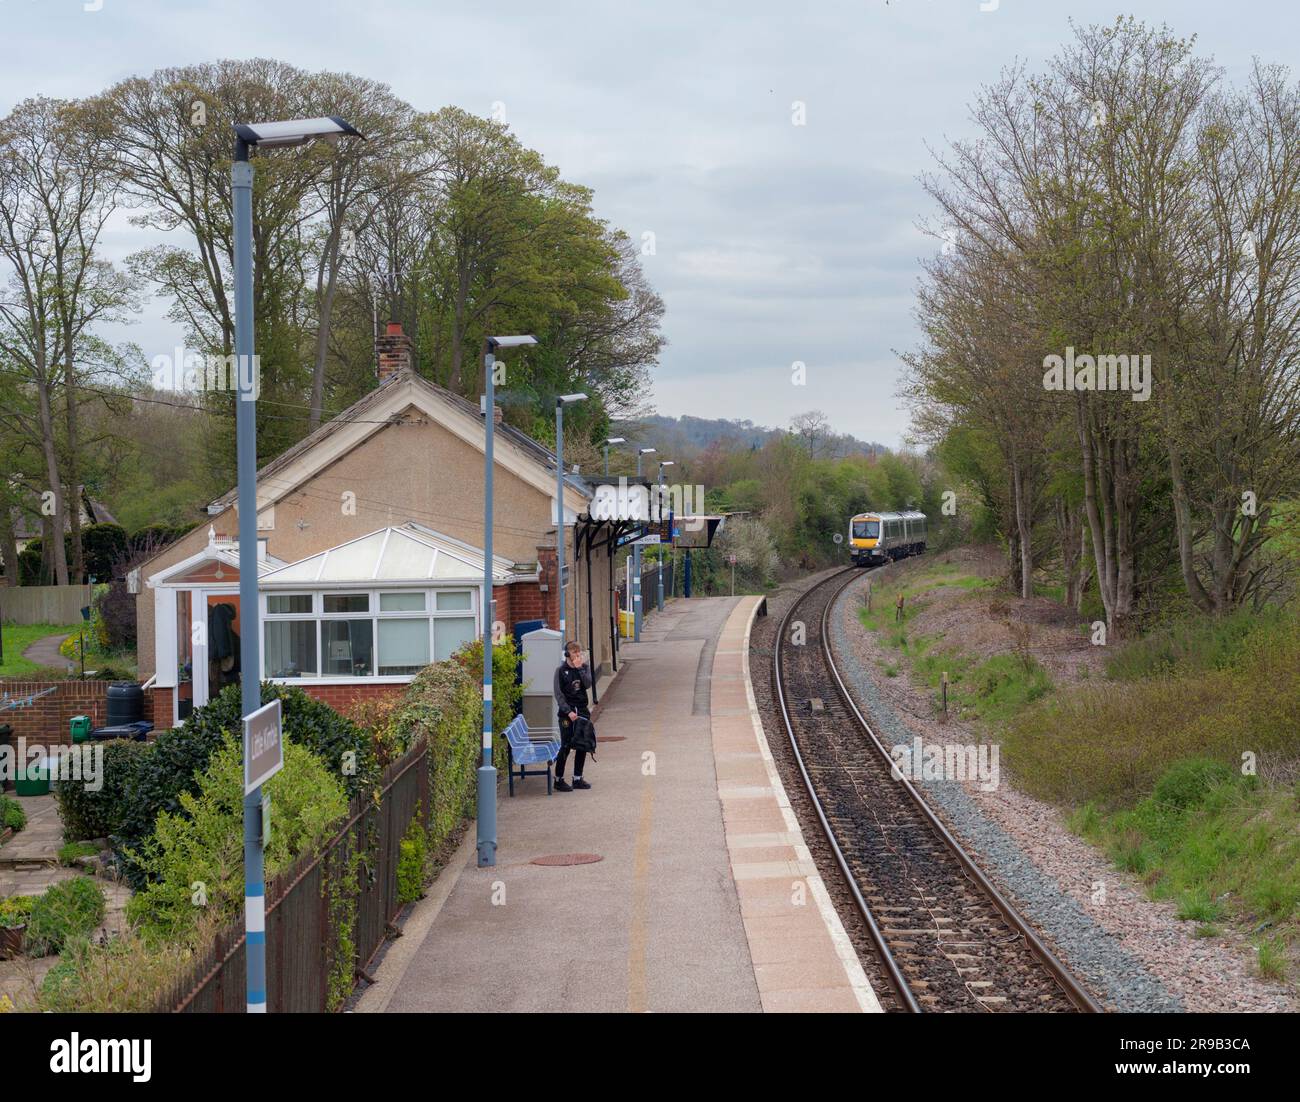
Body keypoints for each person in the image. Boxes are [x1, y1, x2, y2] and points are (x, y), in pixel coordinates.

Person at [553, 640, 593, 792]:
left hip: (582, 711)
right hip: (566, 714)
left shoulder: (584, 668)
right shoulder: (560, 671)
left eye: (578, 651)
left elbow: (588, 684)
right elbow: (559, 694)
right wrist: (568, 711)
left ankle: (577, 777)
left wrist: (580, 669)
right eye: (574, 651)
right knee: (566, 745)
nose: (577, 654)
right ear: (567, 654)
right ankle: (559, 779)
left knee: (582, 744)